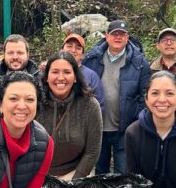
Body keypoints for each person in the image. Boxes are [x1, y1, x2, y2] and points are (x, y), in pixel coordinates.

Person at [82, 20, 150, 174]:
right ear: (107, 37)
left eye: (122, 34)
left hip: (125, 128)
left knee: (123, 172)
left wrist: (135, 118)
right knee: (100, 172)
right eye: (114, 34)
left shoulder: (139, 63)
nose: (118, 37)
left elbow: (145, 95)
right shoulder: (92, 59)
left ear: (127, 38)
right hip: (98, 127)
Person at [36, 51, 102, 179]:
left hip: (76, 174)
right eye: (55, 72)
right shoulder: (35, 102)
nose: (61, 78)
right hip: (38, 176)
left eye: (67, 72)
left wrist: (73, 184)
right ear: (47, 76)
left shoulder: (90, 105)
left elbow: (92, 151)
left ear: (75, 77)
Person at [0, 34, 41, 102]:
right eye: (10, 53)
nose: (15, 57)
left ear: (28, 54)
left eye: (20, 53)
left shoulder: (41, 79)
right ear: (4, 54)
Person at [61, 32, 105, 113]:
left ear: (82, 55)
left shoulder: (92, 76)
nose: (73, 50)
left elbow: (100, 106)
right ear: (61, 50)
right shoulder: (52, 71)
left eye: (78, 48)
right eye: (69, 46)